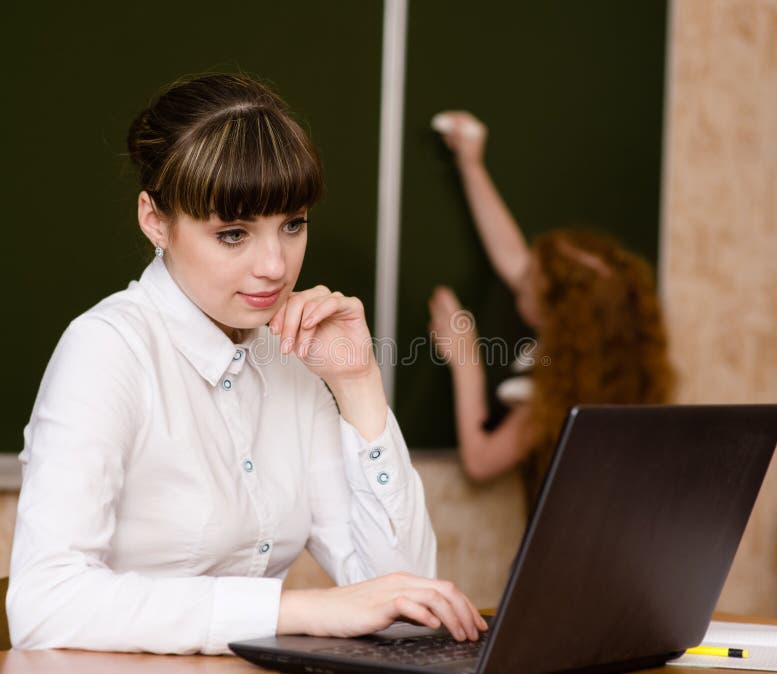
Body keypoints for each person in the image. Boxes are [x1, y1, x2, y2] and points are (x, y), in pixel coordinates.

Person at [7, 75, 487, 655]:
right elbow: (45, 604)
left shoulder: (286, 355)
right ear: (155, 220)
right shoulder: (105, 351)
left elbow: (407, 603)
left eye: (293, 224)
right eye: (233, 234)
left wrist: (357, 385)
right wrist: (298, 609)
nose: (275, 266)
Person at [428, 111, 673, 508]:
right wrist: (471, 165)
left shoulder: (559, 396)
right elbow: (514, 260)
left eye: (528, 283)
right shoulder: (615, 364)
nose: (519, 277)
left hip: (565, 565)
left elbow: (480, 459)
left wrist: (465, 358)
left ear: (558, 318)